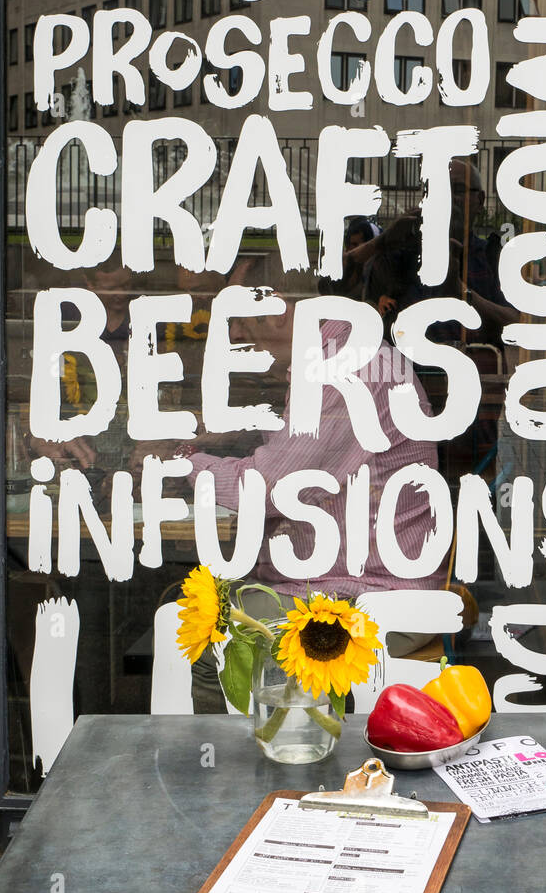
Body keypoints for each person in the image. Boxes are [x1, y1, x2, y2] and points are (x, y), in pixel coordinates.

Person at [176, 259, 449, 710]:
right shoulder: (345, 353)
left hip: (367, 599)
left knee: (210, 640)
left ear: (279, 310)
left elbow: (266, 488)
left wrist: (180, 462)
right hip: (359, 582)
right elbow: (312, 453)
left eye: (242, 321)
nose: (239, 336)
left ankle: (221, 771)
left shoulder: (339, 370)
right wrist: (224, 436)